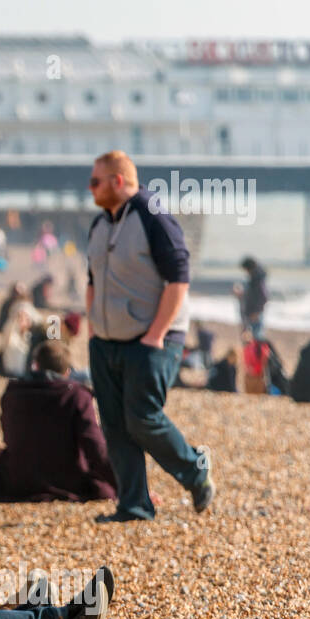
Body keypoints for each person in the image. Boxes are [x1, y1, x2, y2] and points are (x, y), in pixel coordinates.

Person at [85, 150, 213, 522]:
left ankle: (194, 471)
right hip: (106, 341)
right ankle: (134, 506)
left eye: (96, 181)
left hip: (152, 340)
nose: (90, 188)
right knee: (113, 423)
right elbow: (92, 280)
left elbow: (179, 279)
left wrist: (156, 335)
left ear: (118, 181)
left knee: (141, 417)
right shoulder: (99, 225)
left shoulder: (153, 217)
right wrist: (93, 330)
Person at [0, 340, 117, 503]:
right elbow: (94, 446)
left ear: (36, 366)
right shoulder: (76, 395)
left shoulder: (13, 393)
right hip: (67, 480)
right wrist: (125, 487)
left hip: (20, 479)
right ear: (67, 372)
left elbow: (9, 436)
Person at [235, 256, 269, 338]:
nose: (246, 273)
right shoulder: (255, 279)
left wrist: (256, 312)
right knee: (253, 337)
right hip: (252, 312)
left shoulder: (257, 280)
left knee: (257, 337)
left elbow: (264, 297)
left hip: (255, 313)